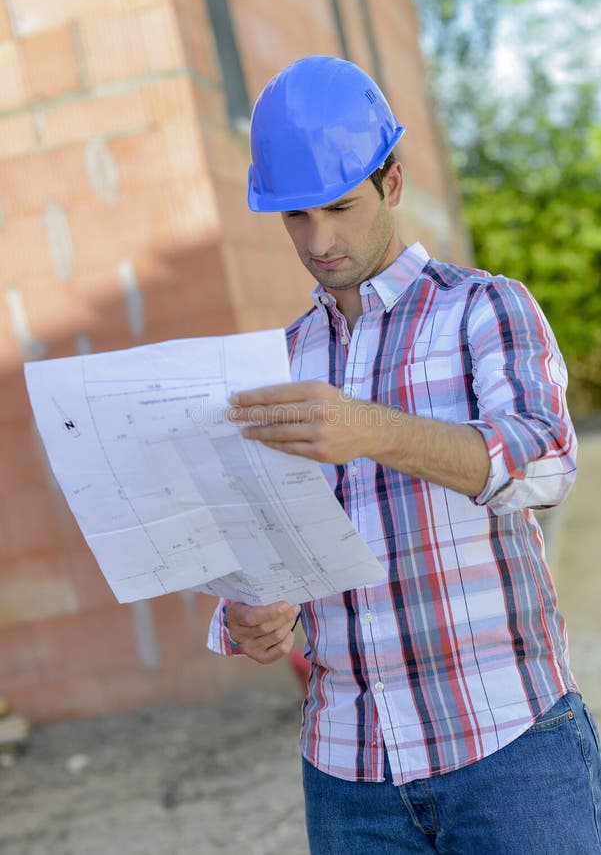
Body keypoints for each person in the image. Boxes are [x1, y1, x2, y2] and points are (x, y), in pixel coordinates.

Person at [207, 55, 601, 853]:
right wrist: (250, 613)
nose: (320, 241)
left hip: (508, 750)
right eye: (295, 219)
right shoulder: (277, 364)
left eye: (339, 208)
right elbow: (264, 545)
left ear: (391, 182)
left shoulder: (483, 310)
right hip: (348, 776)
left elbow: (547, 464)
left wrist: (372, 430)